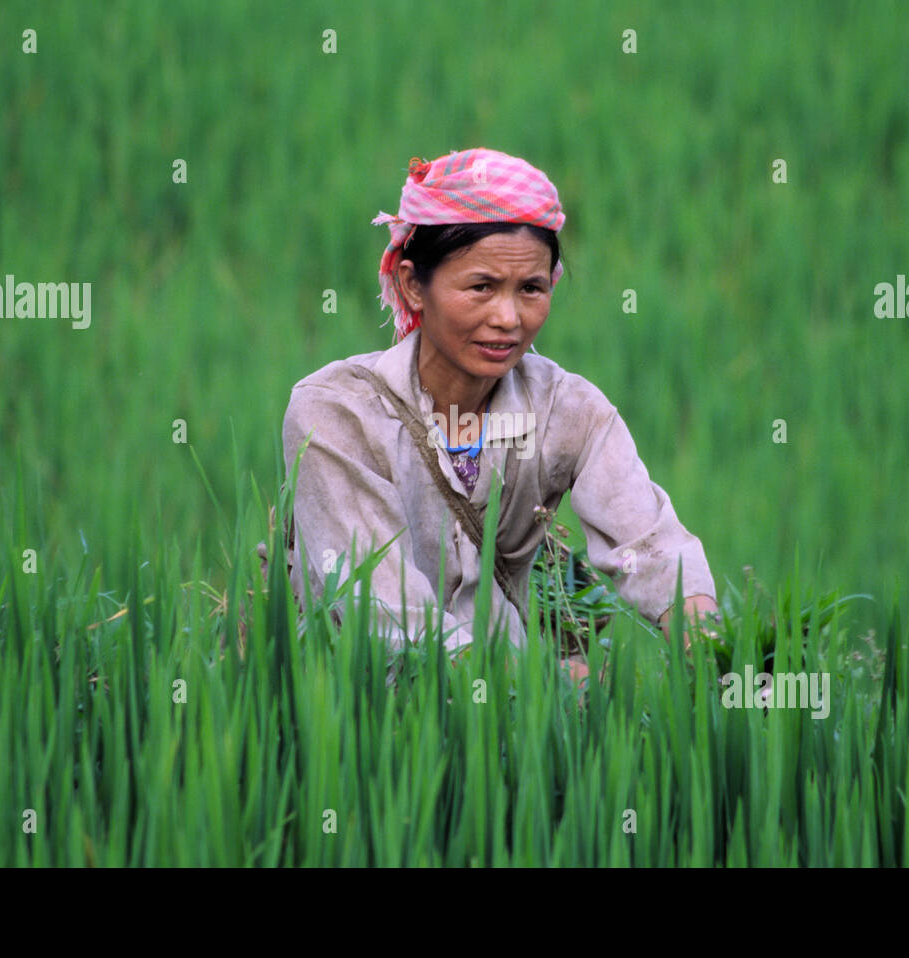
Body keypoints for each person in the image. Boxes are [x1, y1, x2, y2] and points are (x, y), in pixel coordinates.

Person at [271, 148, 718, 688]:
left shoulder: (567, 410)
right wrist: (550, 685)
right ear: (414, 285)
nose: (508, 319)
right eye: (481, 287)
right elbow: (382, 610)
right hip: (355, 711)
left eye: (530, 289)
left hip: (511, 727)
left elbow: (652, 547)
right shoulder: (338, 411)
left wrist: (715, 656)